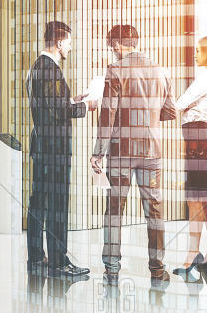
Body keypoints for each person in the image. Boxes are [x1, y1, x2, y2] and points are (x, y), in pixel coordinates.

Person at [90, 23, 176, 286]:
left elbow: (108, 114)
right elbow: (171, 112)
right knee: (155, 211)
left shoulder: (115, 70)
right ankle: (157, 269)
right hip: (152, 152)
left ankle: (112, 270)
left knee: (115, 211)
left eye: (111, 46)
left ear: (117, 44)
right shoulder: (161, 70)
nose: (111, 51)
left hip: (122, 152)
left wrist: (97, 153)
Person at [24, 20, 95, 279]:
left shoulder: (36, 68)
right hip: (54, 149)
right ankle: (58, 261)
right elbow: (59, 110)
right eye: (69, 43)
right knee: (57, 205)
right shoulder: (50, 69)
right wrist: (88, 107)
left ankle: (36, 257)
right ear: (59, 42)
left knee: (39, 203)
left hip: (42, 145)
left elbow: (49, 105)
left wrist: (73, 99)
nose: (71, 48)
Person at [173, 36, 207, 284]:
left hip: (198, 143)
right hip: (201, 142)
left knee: (195, 202)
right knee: (205, 200)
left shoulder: (206, 76)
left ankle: (192, 256)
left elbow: (180, 104)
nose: (195, 54)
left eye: (199, 51)